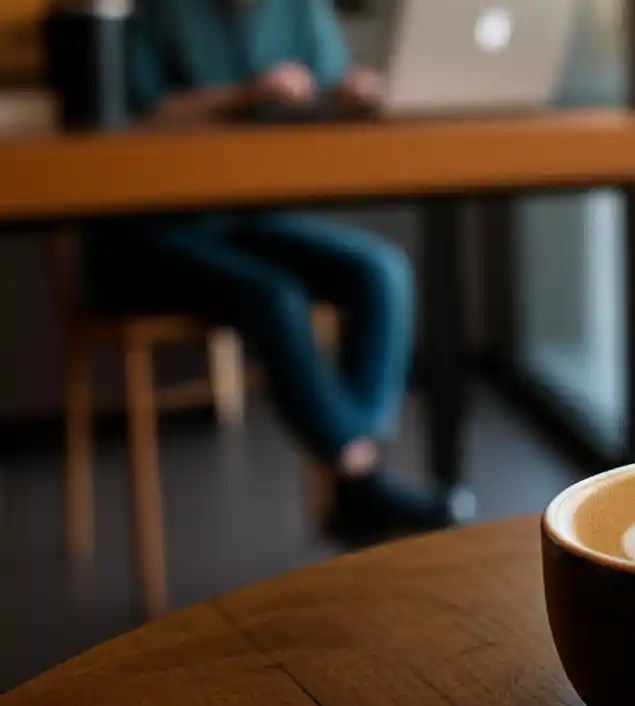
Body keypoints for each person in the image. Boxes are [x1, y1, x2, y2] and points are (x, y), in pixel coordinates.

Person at [86, 0, 446, 542]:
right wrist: (245, 94)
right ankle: (359, 480)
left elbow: (325, 86)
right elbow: (136, 111)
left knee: (381, 272)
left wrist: (354, 93)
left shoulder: (297, 8)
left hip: (246, 214)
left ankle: (356, 466)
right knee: (274, 296)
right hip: (151, 229)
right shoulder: (157, 13)